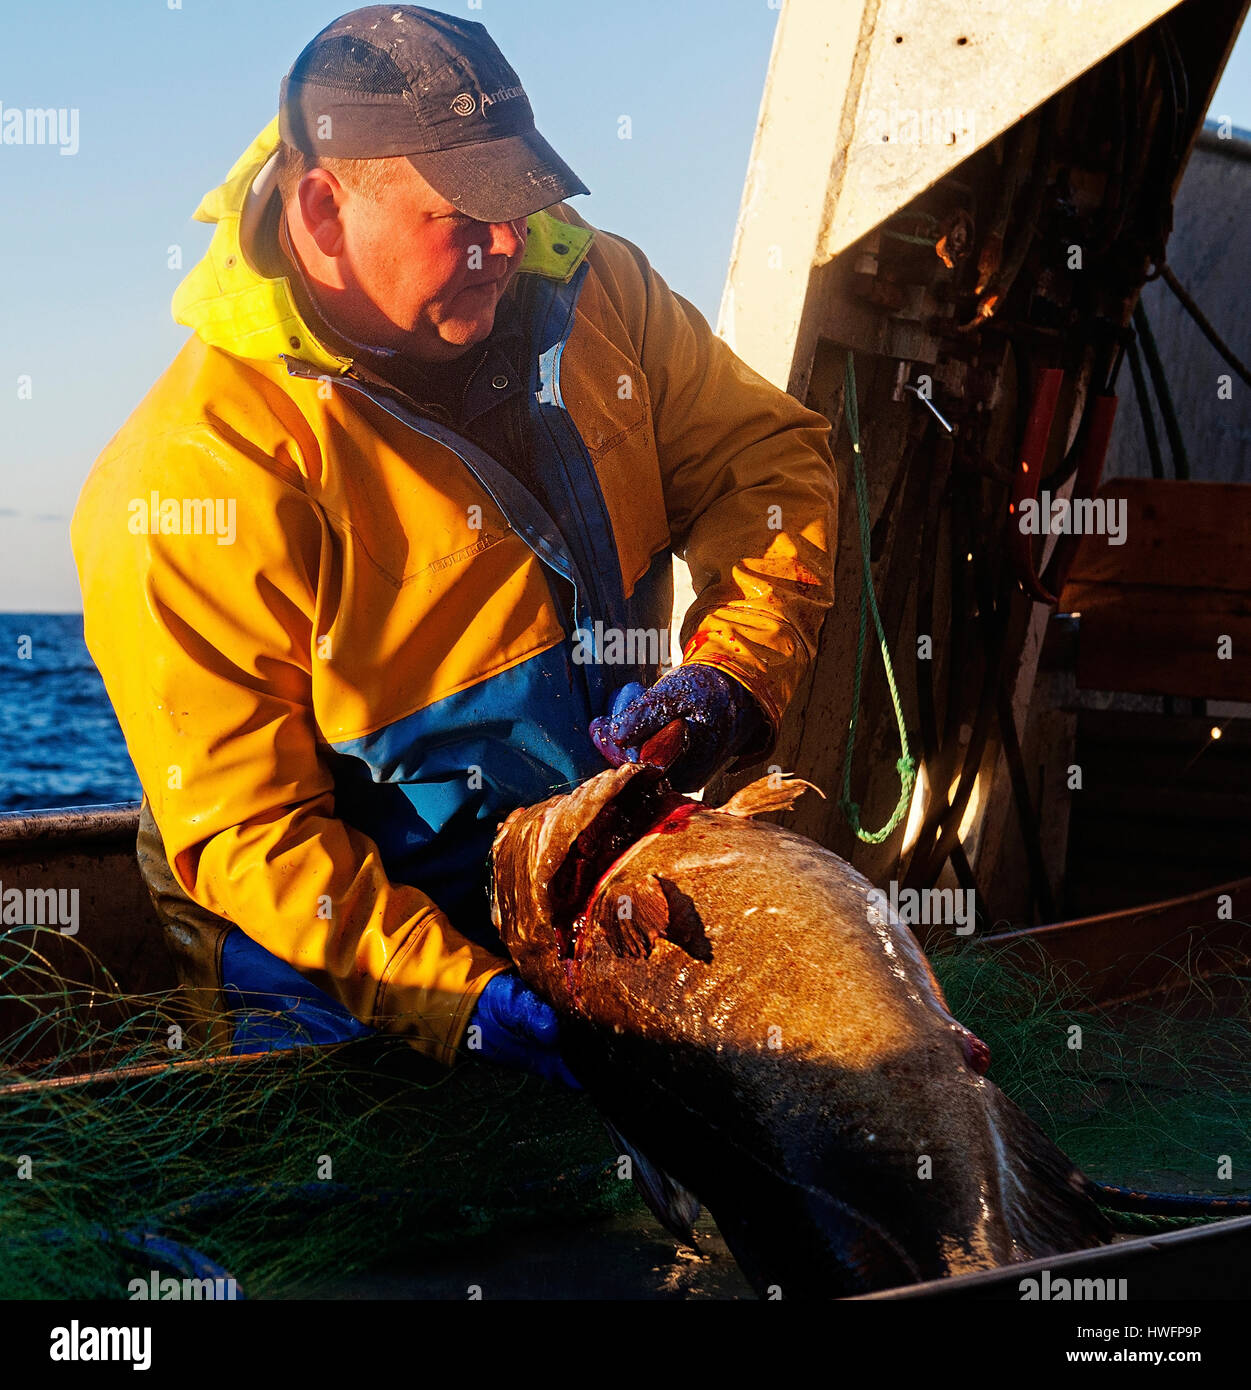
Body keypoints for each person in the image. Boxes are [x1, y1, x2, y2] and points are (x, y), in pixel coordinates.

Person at [71, 5, 837, 1085]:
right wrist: (466, 1000)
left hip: (580, 910)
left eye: (519, 198)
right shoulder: (191, 475)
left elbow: (768, 465)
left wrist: (732, 672)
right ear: (325, 210)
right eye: (462, 212)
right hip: (324, 990)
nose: (512, 238)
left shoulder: (604, 289)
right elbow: (254, 842)